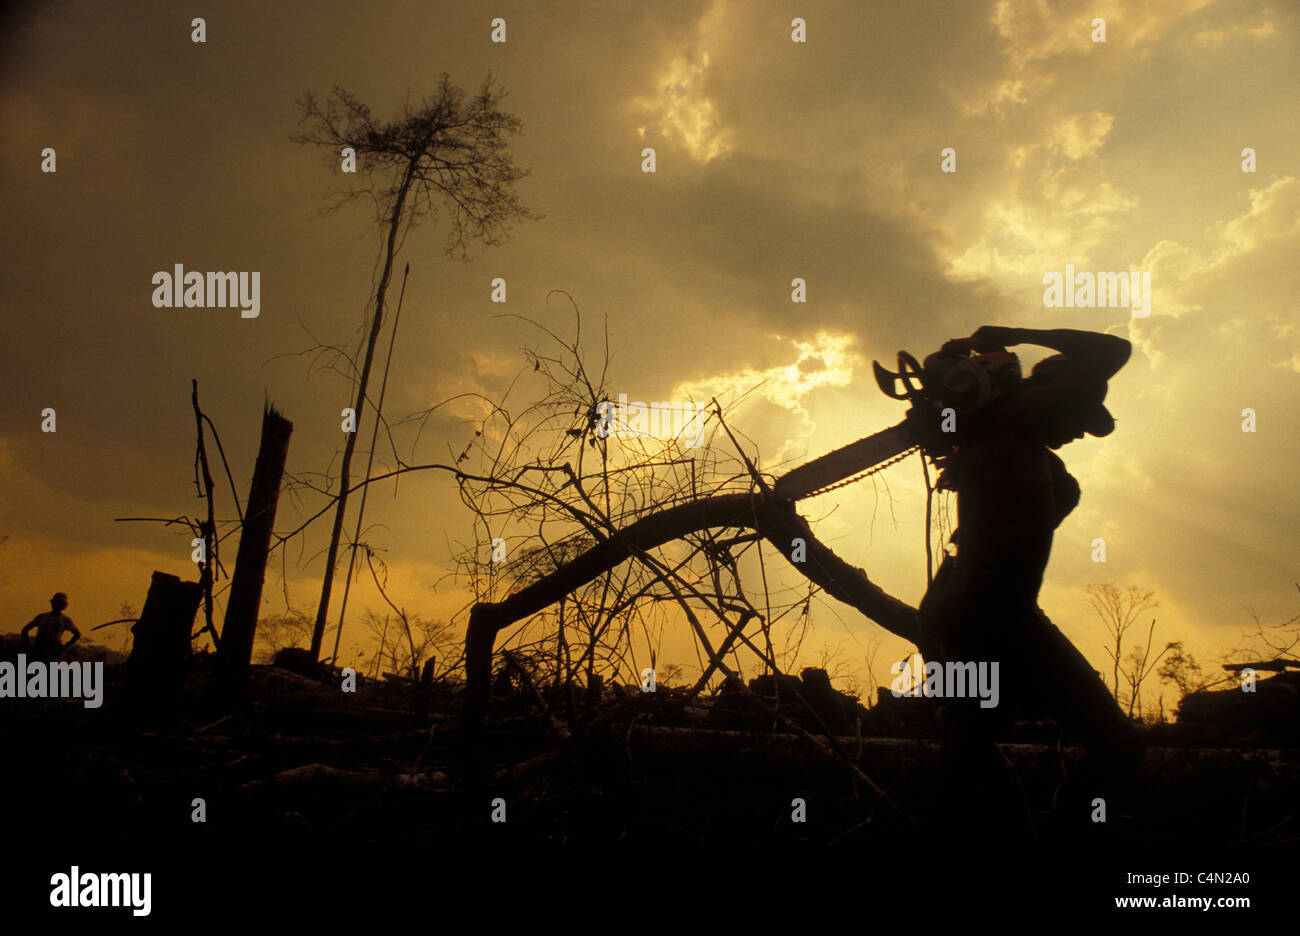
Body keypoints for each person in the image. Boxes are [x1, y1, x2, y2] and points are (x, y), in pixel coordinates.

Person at [915, 325, 1143, 831]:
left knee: (968, 753)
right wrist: (1015, 332)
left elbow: (1059, 493)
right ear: (1051, 395)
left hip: (967, 608)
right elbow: (1114, 349)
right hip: (997, 614)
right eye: (1077, 413)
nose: (1079, 431)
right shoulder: (1020, 417)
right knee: (1118, 743)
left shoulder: (1017, 442)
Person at [21, 592, 82, 661]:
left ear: (63, 605)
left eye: (59, 603)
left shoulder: (65, 620)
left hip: (54, 651)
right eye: (55, 602)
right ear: (52, 603)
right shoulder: (42, 617)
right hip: (38, 649)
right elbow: (25, 630)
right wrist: (28, 646)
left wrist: (64, 648)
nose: (56, 605)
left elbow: (77, 634)